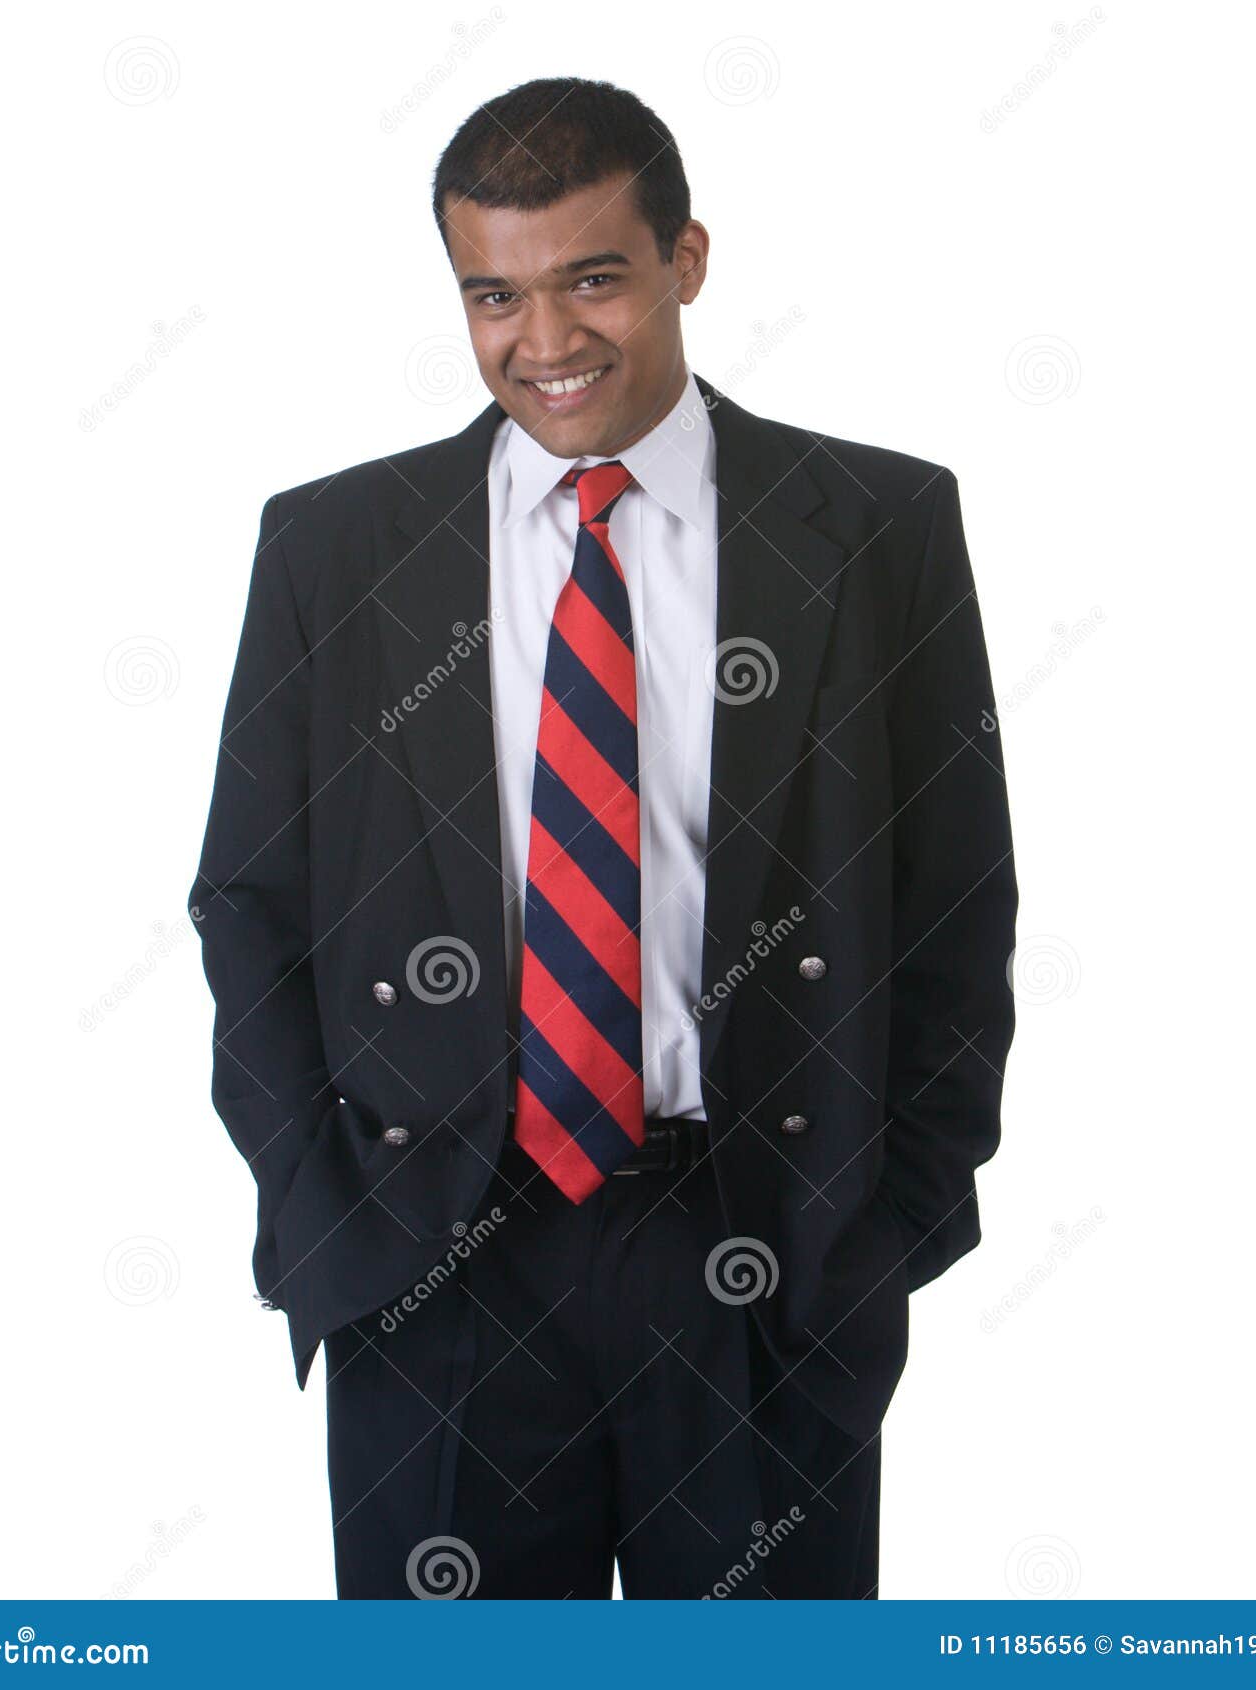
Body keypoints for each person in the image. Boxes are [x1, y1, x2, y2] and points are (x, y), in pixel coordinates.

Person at [188, 75, 1018, 1599]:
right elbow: (249, 902)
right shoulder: (333, 550)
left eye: (592, 278)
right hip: (434, 1252)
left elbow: (955, 901)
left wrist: (879, 1225)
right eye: (493, 293)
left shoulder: (877, 525)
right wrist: (330, 1220)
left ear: (685, 259)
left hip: (759, 1246)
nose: (546, 342)